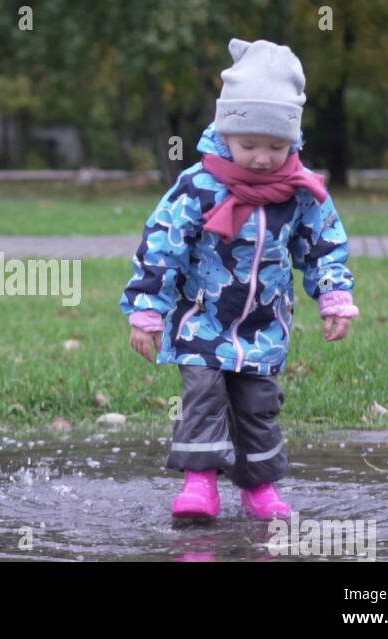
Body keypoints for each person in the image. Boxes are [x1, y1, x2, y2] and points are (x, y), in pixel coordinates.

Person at [119, 38, 360, 521]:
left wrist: (334, 295)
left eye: (277, 146)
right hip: (201, 320)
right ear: (225, 132)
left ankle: (260, 489)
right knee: (204, 398)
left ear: (293, 141)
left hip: (263, 327)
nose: (262, 158)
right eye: (249, 144)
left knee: (258, 406)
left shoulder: (299, 192)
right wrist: (147, 310)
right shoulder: (198, 187)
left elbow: (323, 243)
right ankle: (200, 485)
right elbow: (161, 244)